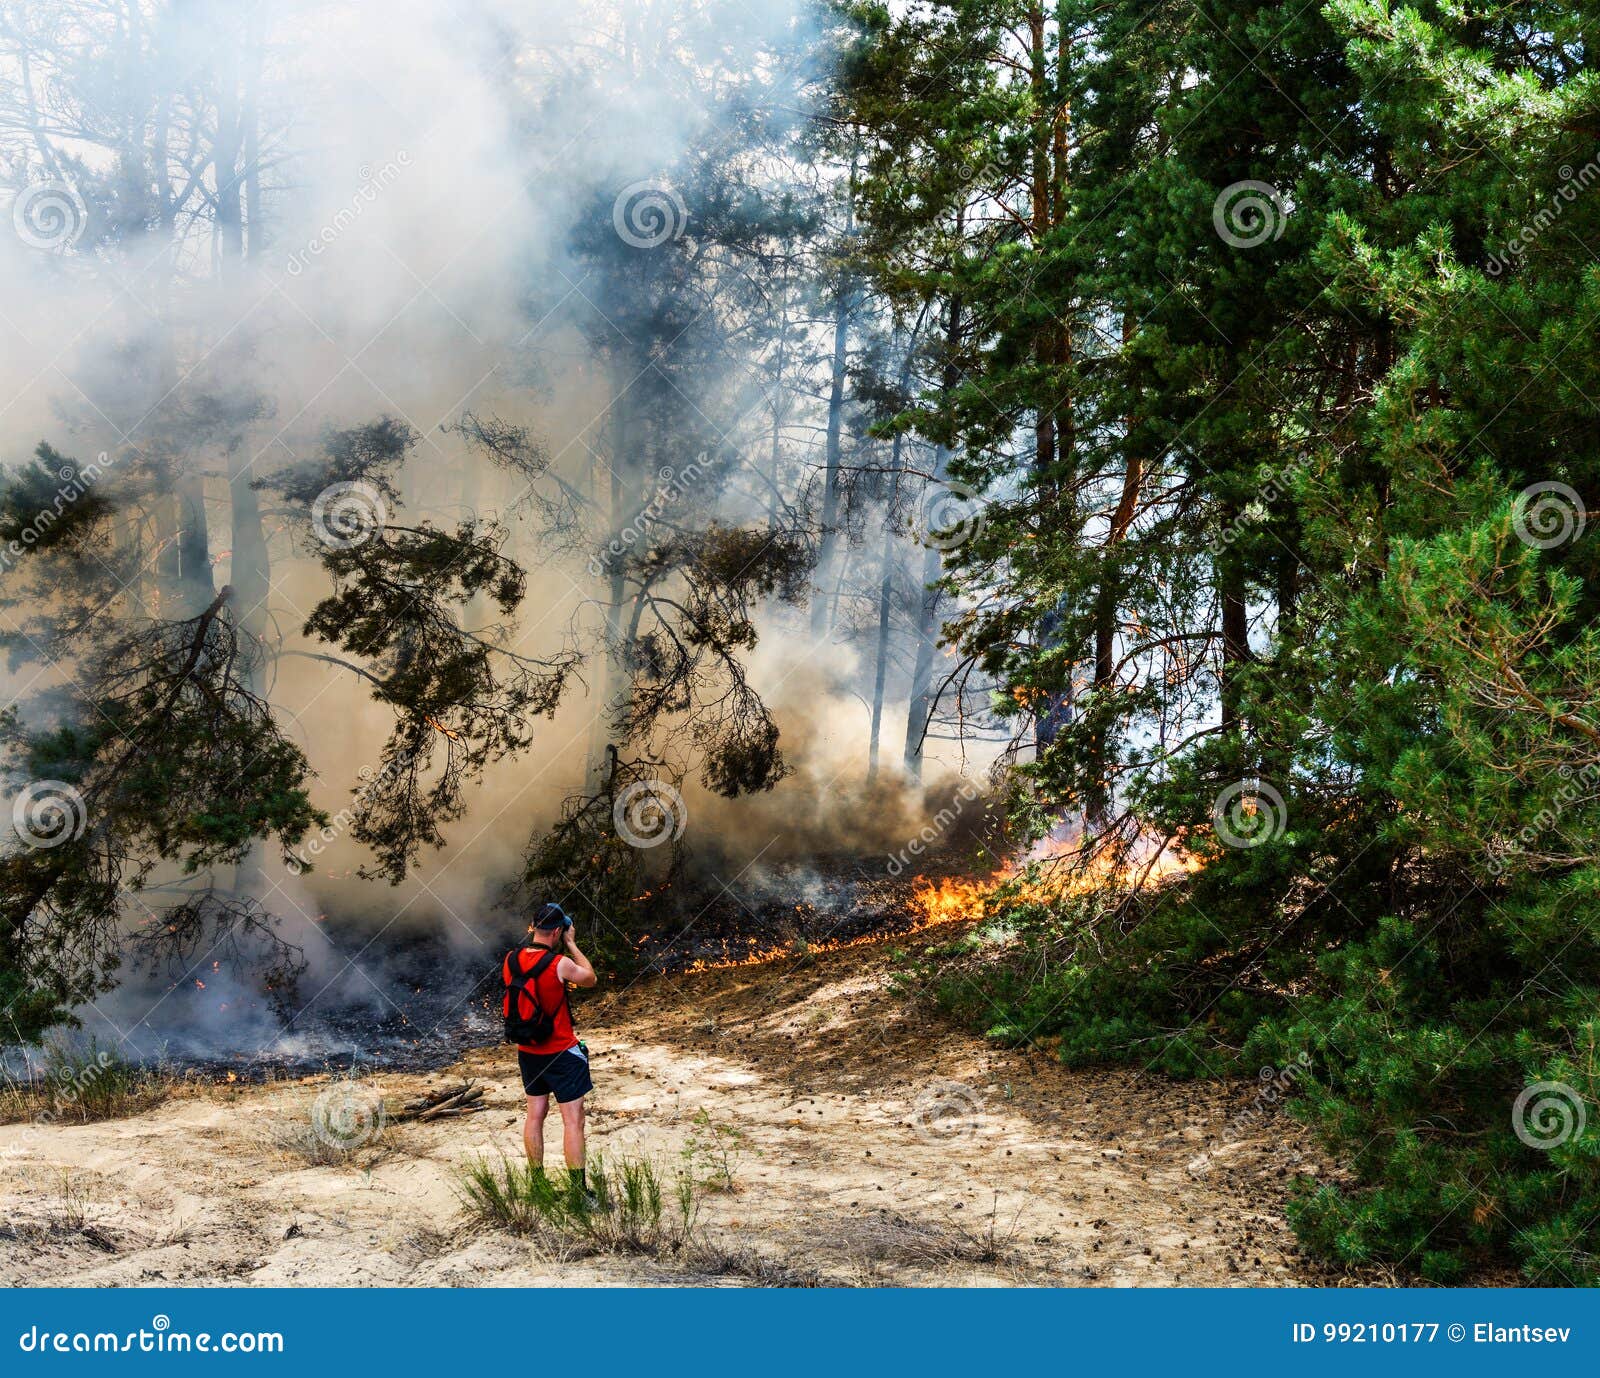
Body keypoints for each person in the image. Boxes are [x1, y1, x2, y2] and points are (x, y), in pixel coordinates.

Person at [509, 903, 598, 1189]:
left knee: (534, 1115)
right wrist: (572, 944)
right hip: (561, 1052)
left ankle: (537, 1184)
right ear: (558, 931)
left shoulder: (510, 960)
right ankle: (578, 1192)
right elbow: (590, 978)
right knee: (573, 1121)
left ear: (534, 927)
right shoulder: (560, 963)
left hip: (528, 1052)